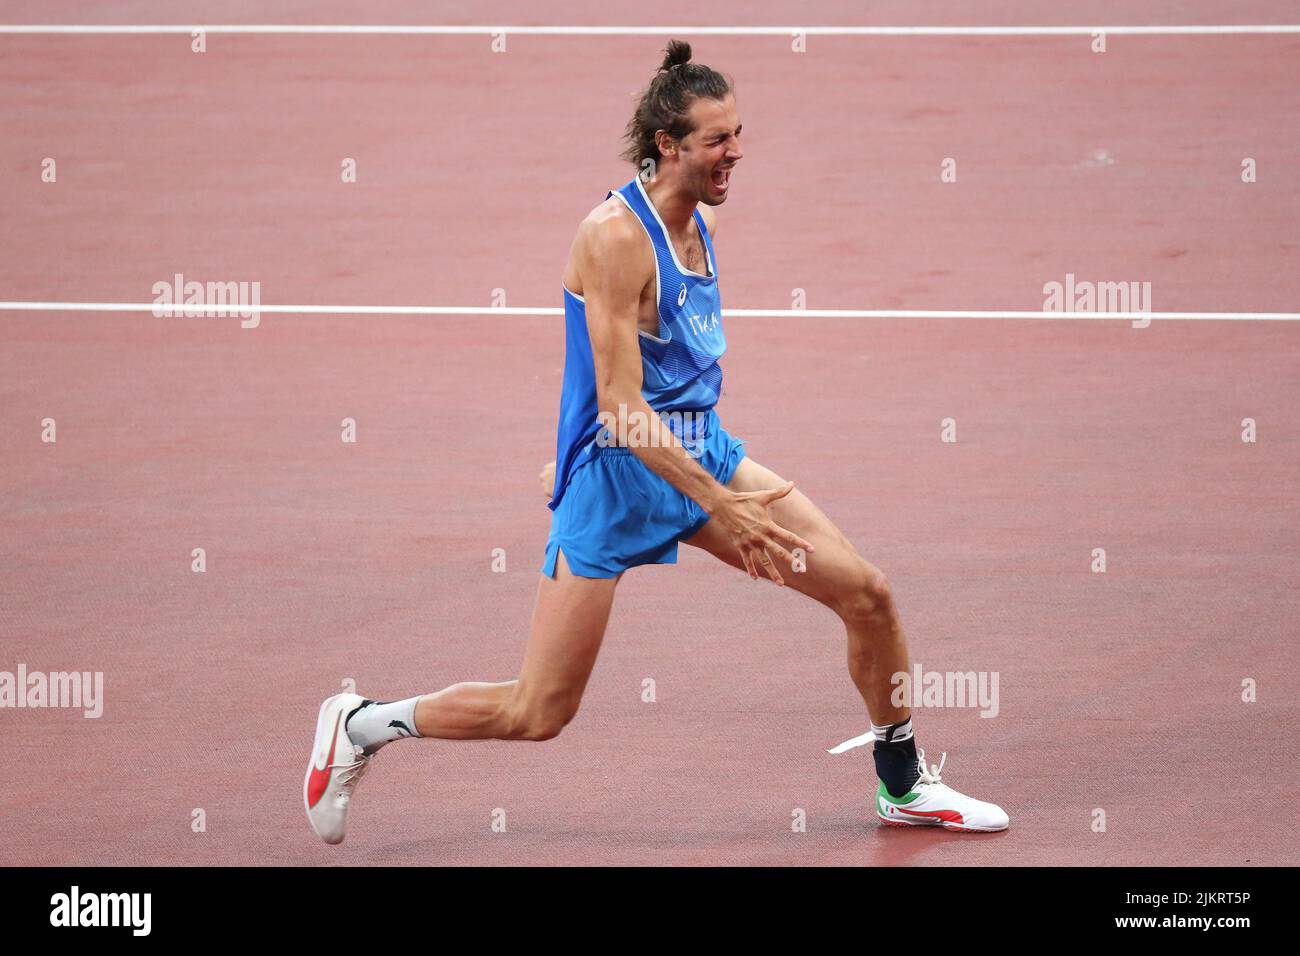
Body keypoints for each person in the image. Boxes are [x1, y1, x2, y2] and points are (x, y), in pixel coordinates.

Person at [305, 40, 1008, 845]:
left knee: (867, 593)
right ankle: (361, 724)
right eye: (718, 139)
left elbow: (662, 372)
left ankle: (903, 782)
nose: (737, 152)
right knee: (539, 711)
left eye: (738, 132)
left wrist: (708, 476)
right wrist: (712, 504)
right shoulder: (614, 236)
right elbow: (619, 409)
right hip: (618, 479)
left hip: (698, 451)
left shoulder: (697, 223)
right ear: (667, 145)